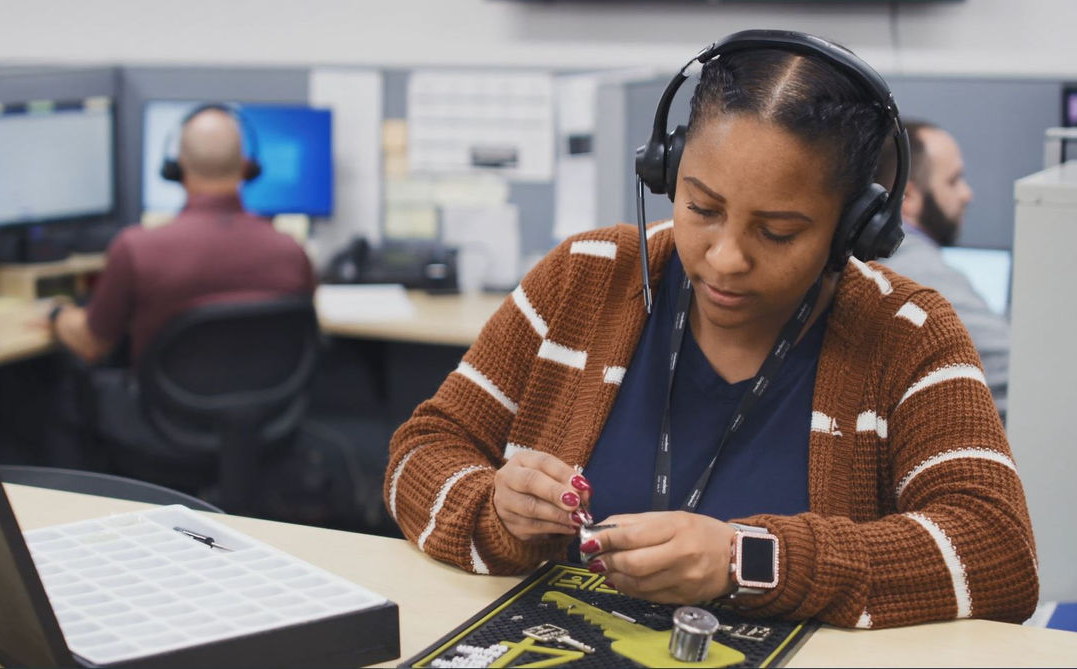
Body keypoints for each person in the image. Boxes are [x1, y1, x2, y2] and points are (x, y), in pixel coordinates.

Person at [384, 32, 1037, 629]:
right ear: (667, 172)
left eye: (777, 232)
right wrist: (496, 509)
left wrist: (744, 559)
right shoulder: (585, 278)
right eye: (701, 207)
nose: (725, 259)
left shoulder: (907, 333)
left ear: (850, 228)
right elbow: (421, 451)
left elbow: (999, 554)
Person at [51, 105, 315, 364]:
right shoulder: (291, 252)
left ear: (176, 168)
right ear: (247, 167)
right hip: (267, 394)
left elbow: (92, 344)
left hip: (162, 395)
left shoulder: (135, 250)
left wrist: (58, 315)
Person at [876, 120, 1011, 416]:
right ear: (909, 198)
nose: (967, 194)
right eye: (953, 180)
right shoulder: (918, 272)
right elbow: (1015, 376)